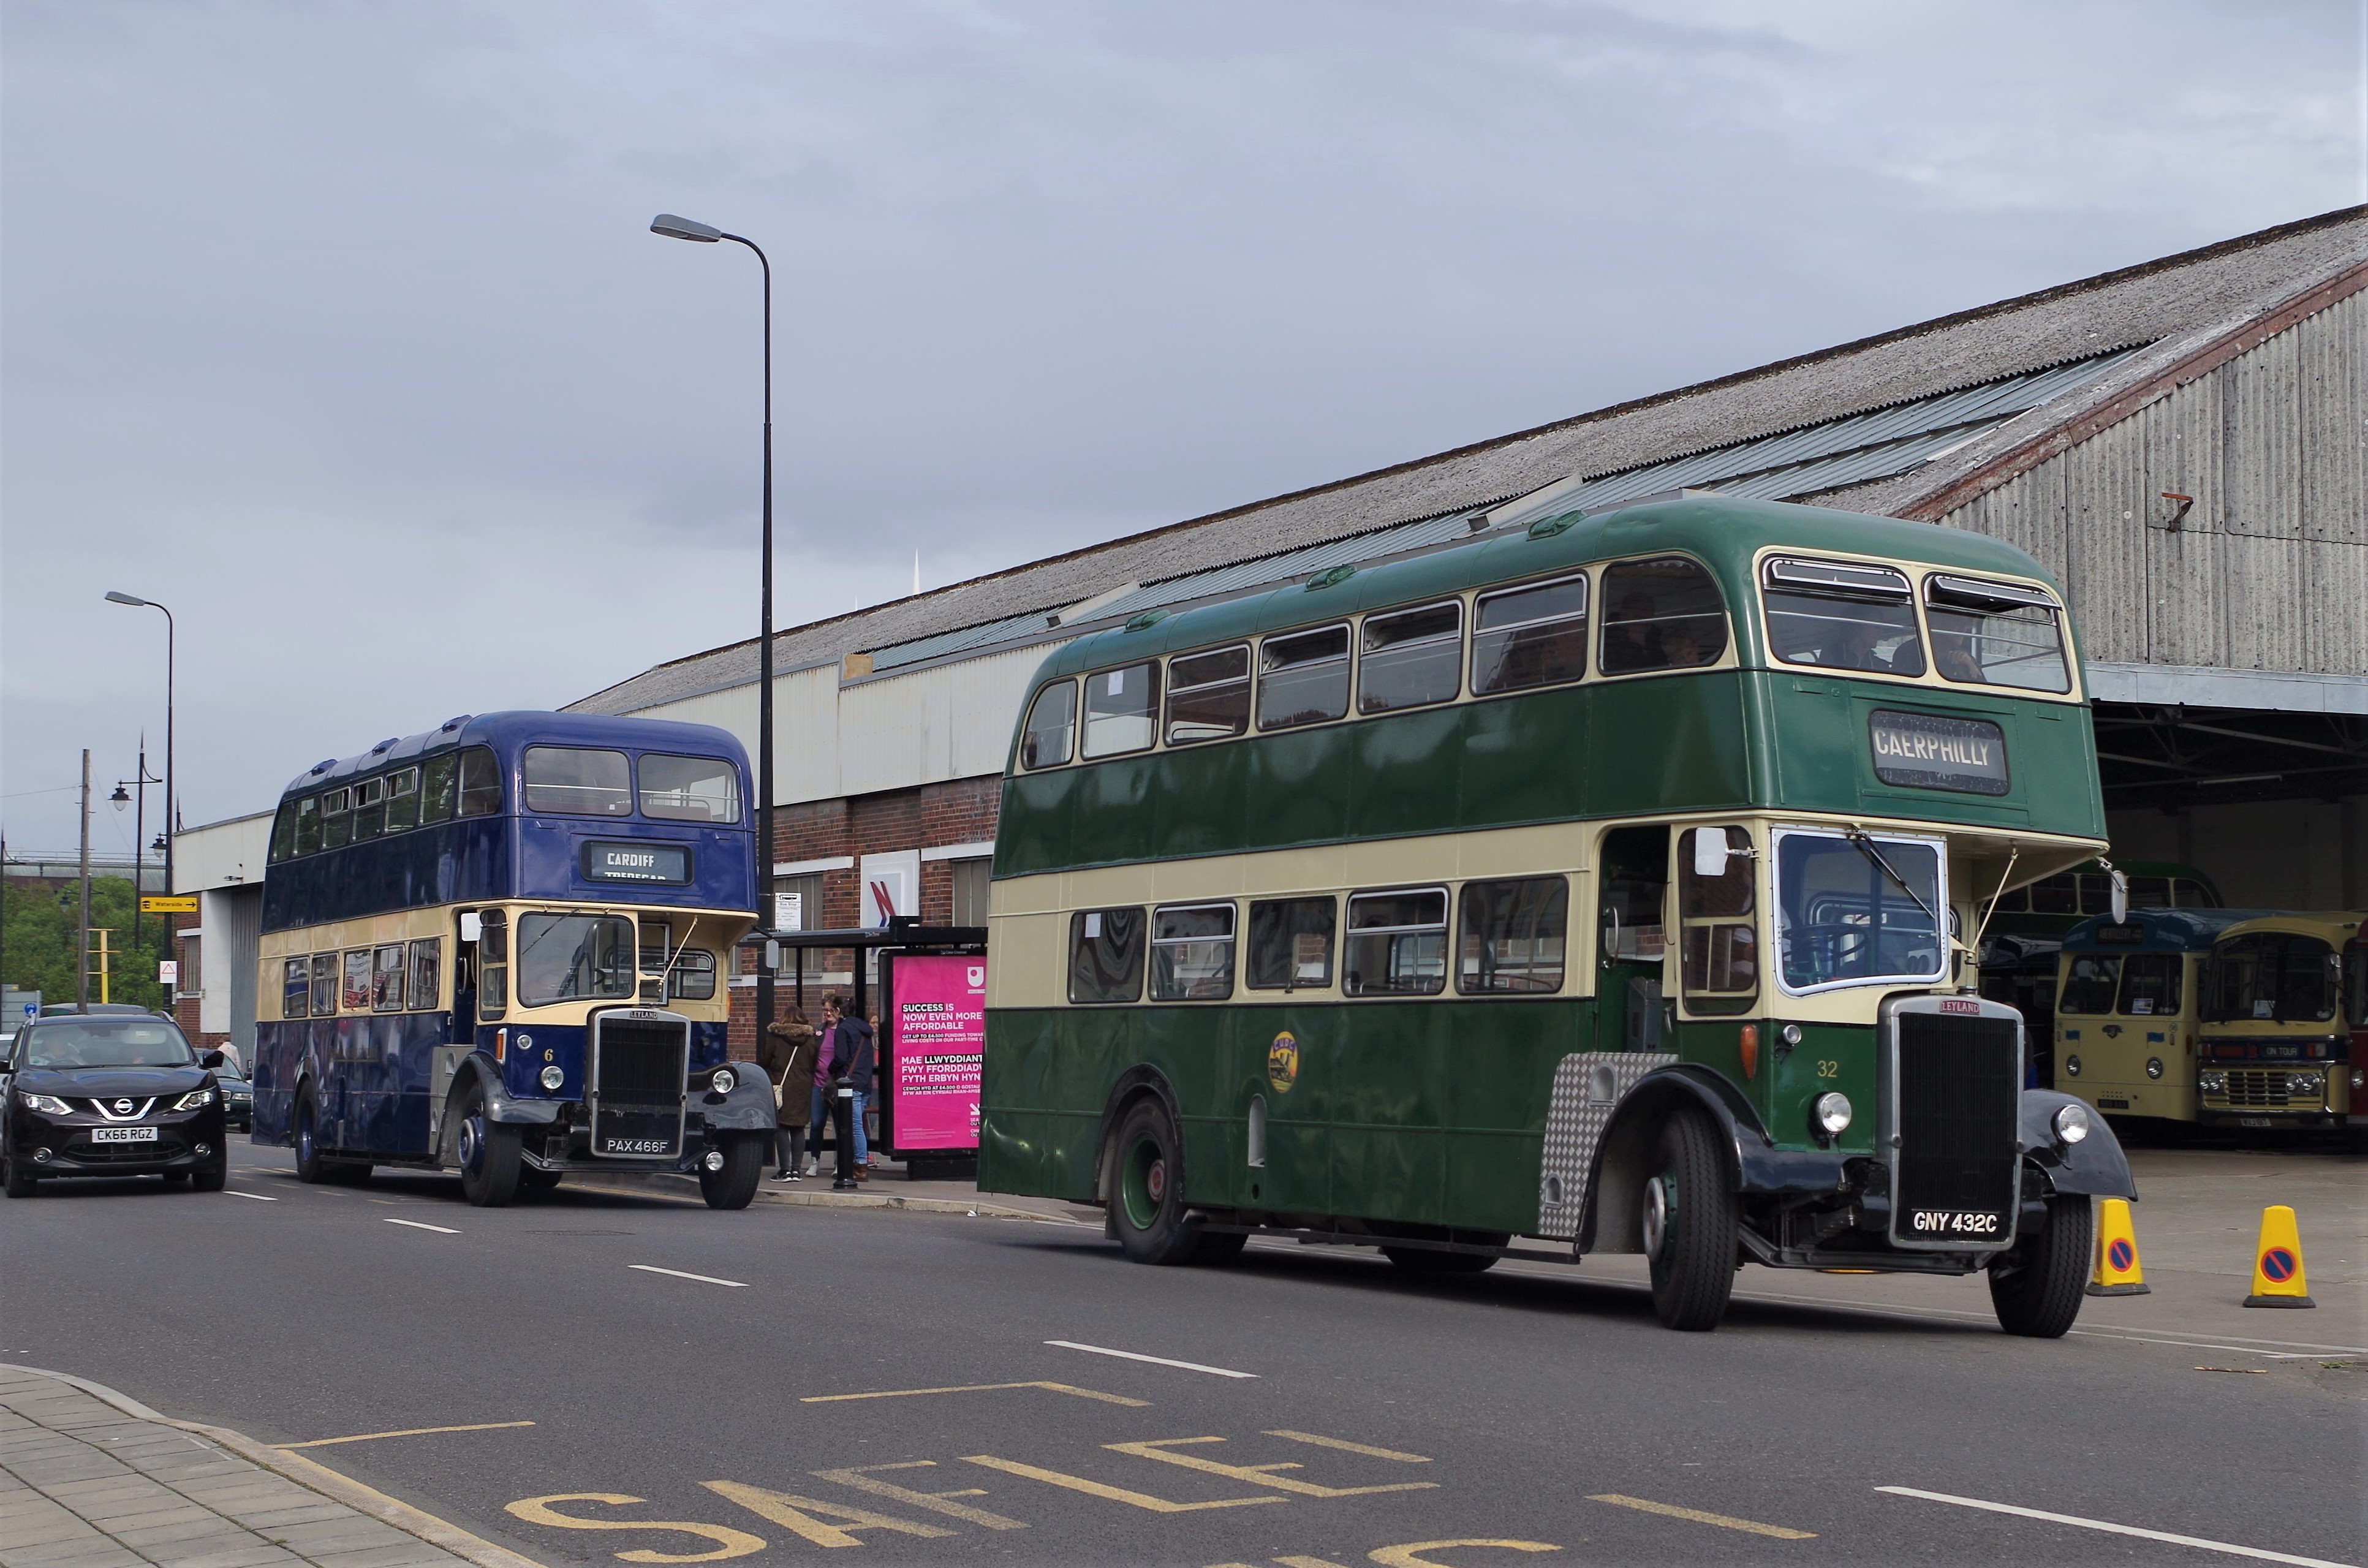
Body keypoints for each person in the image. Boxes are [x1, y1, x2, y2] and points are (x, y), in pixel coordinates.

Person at [821, 994, 877, 1183]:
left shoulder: (843, 1030)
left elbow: (841, 1058)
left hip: (850, 1085)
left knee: (854, 1127)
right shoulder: (865, 1031)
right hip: (865, 1083)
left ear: (838, 1011)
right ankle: (857, 1162)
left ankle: (860, 1165)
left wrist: (830, 1070)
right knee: (856, 1125)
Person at [758, 1008, 819, 1181]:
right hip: (803, 1087)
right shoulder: (810, 1039)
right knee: (799, 1128)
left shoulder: (775, 1037)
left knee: (782, 1127)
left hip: (781, 1086)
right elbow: (815, 1062)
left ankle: (785, 1170)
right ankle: (796, 1171)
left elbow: (764, 1060)